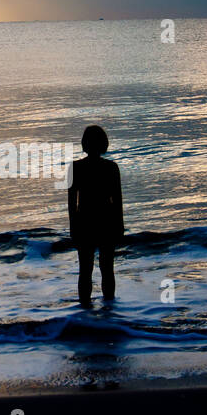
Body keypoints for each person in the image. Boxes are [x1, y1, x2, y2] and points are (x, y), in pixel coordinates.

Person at [68, 125, 123, 305]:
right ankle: (109, 308)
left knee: (85, 270)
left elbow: (71, 205)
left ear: (84, 144)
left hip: (84, 222)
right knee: (107, 269)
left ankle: (85, 310)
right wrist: (120, 226)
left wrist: (73, 228)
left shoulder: (74, 167)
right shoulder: (112, 168)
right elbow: (117, 202)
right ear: (104, 144)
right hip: (106, 221)